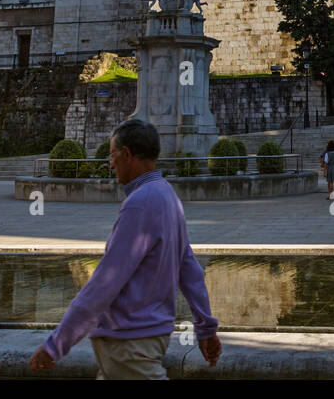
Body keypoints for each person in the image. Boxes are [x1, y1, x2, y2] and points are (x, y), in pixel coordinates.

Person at [30, 118, 221, 379]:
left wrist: (56, 344)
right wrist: (205, 328)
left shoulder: (140, 203)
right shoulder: (167, 196)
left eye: (113, 155)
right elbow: (190, 270)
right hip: (141, 340)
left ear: (127, 154)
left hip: (129, 345)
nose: (110, 164)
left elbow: (105, 282)